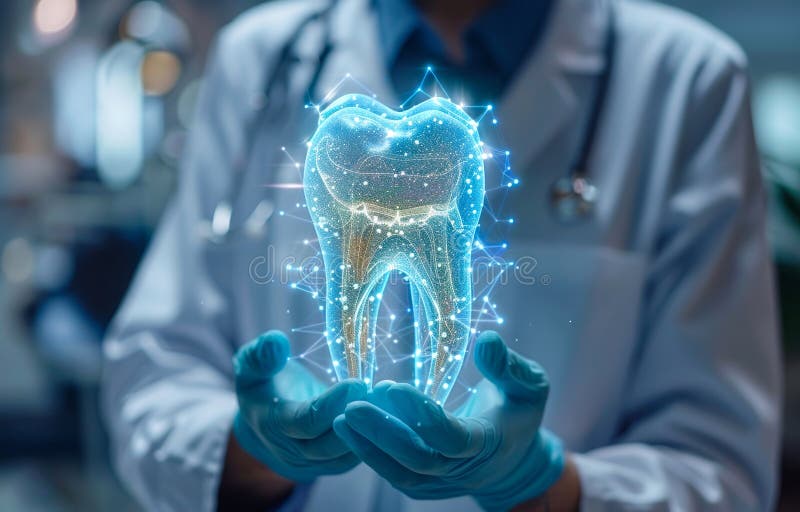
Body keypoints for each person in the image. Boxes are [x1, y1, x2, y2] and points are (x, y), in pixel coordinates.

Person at [101, 0, 783, 510]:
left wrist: (548, 486)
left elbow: (718, 467)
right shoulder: (263, 57)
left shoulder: (688, 80)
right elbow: (152, 374)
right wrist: (252, 454)